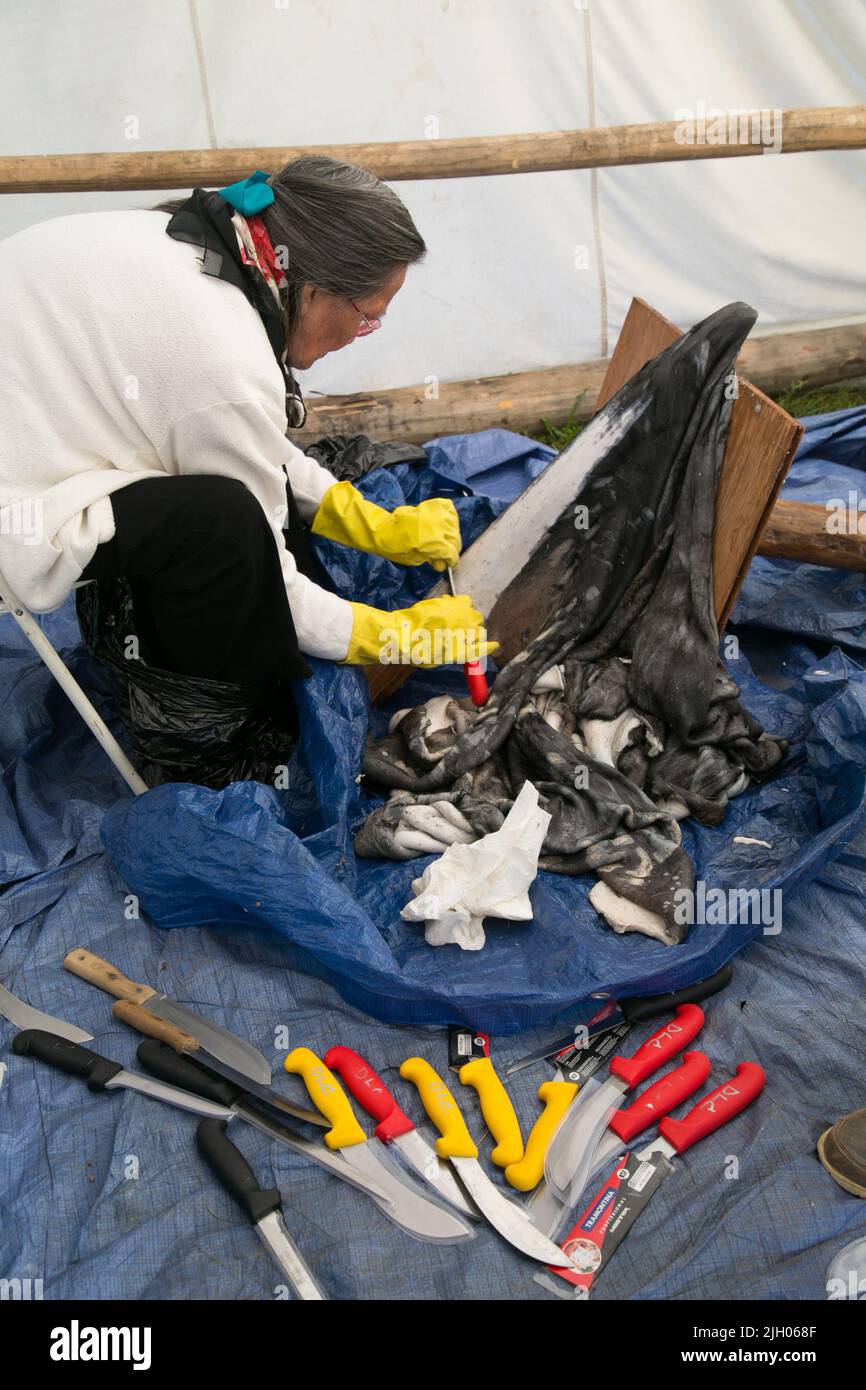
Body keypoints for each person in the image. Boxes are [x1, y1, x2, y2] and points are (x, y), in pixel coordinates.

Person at [0, 157, 495, 754]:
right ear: (314, 293)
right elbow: (270, 562)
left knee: (242, 503)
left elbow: (244, 438)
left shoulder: (210, 243)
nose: (358, 337)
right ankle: (215, 747)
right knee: (224, 529)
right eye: (368, 319)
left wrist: (371, 522)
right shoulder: (221, 355)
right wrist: (396, 637)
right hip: (18, 508)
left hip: (34, 432)